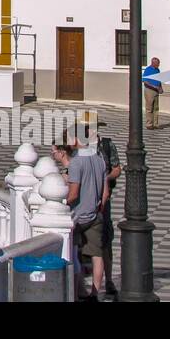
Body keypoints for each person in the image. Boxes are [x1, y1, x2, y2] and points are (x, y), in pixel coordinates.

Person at [53, 139, 108, 301]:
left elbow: (74, 193)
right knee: (97, 255)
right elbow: (105, 193)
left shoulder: (77, 163)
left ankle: (75, 294)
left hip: (77, 217)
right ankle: (95, 293)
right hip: (95, 214)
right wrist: (99, 208)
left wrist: (60, 203)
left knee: (73, 254)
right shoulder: (99, 160)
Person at [90, 120, 122, 298]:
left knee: (105, 240)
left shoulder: (107, 145)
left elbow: (117, 169)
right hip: (86, 198)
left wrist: (104, 179)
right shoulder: (79, 146)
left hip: (104, 199)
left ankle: (108, 280)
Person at [142, 57, 162, 129]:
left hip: (156, 90)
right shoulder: (148, 70)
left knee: (156, 108)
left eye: (159, 63)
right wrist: (154, 86)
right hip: (149, 90)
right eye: (157, 63)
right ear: (153, 63)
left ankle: (155, 124)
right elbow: (145, 81)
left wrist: (160, 87)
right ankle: (149, 124)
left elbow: (159, 79)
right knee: (149, 108)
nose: (159, 65)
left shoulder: (157, 70)